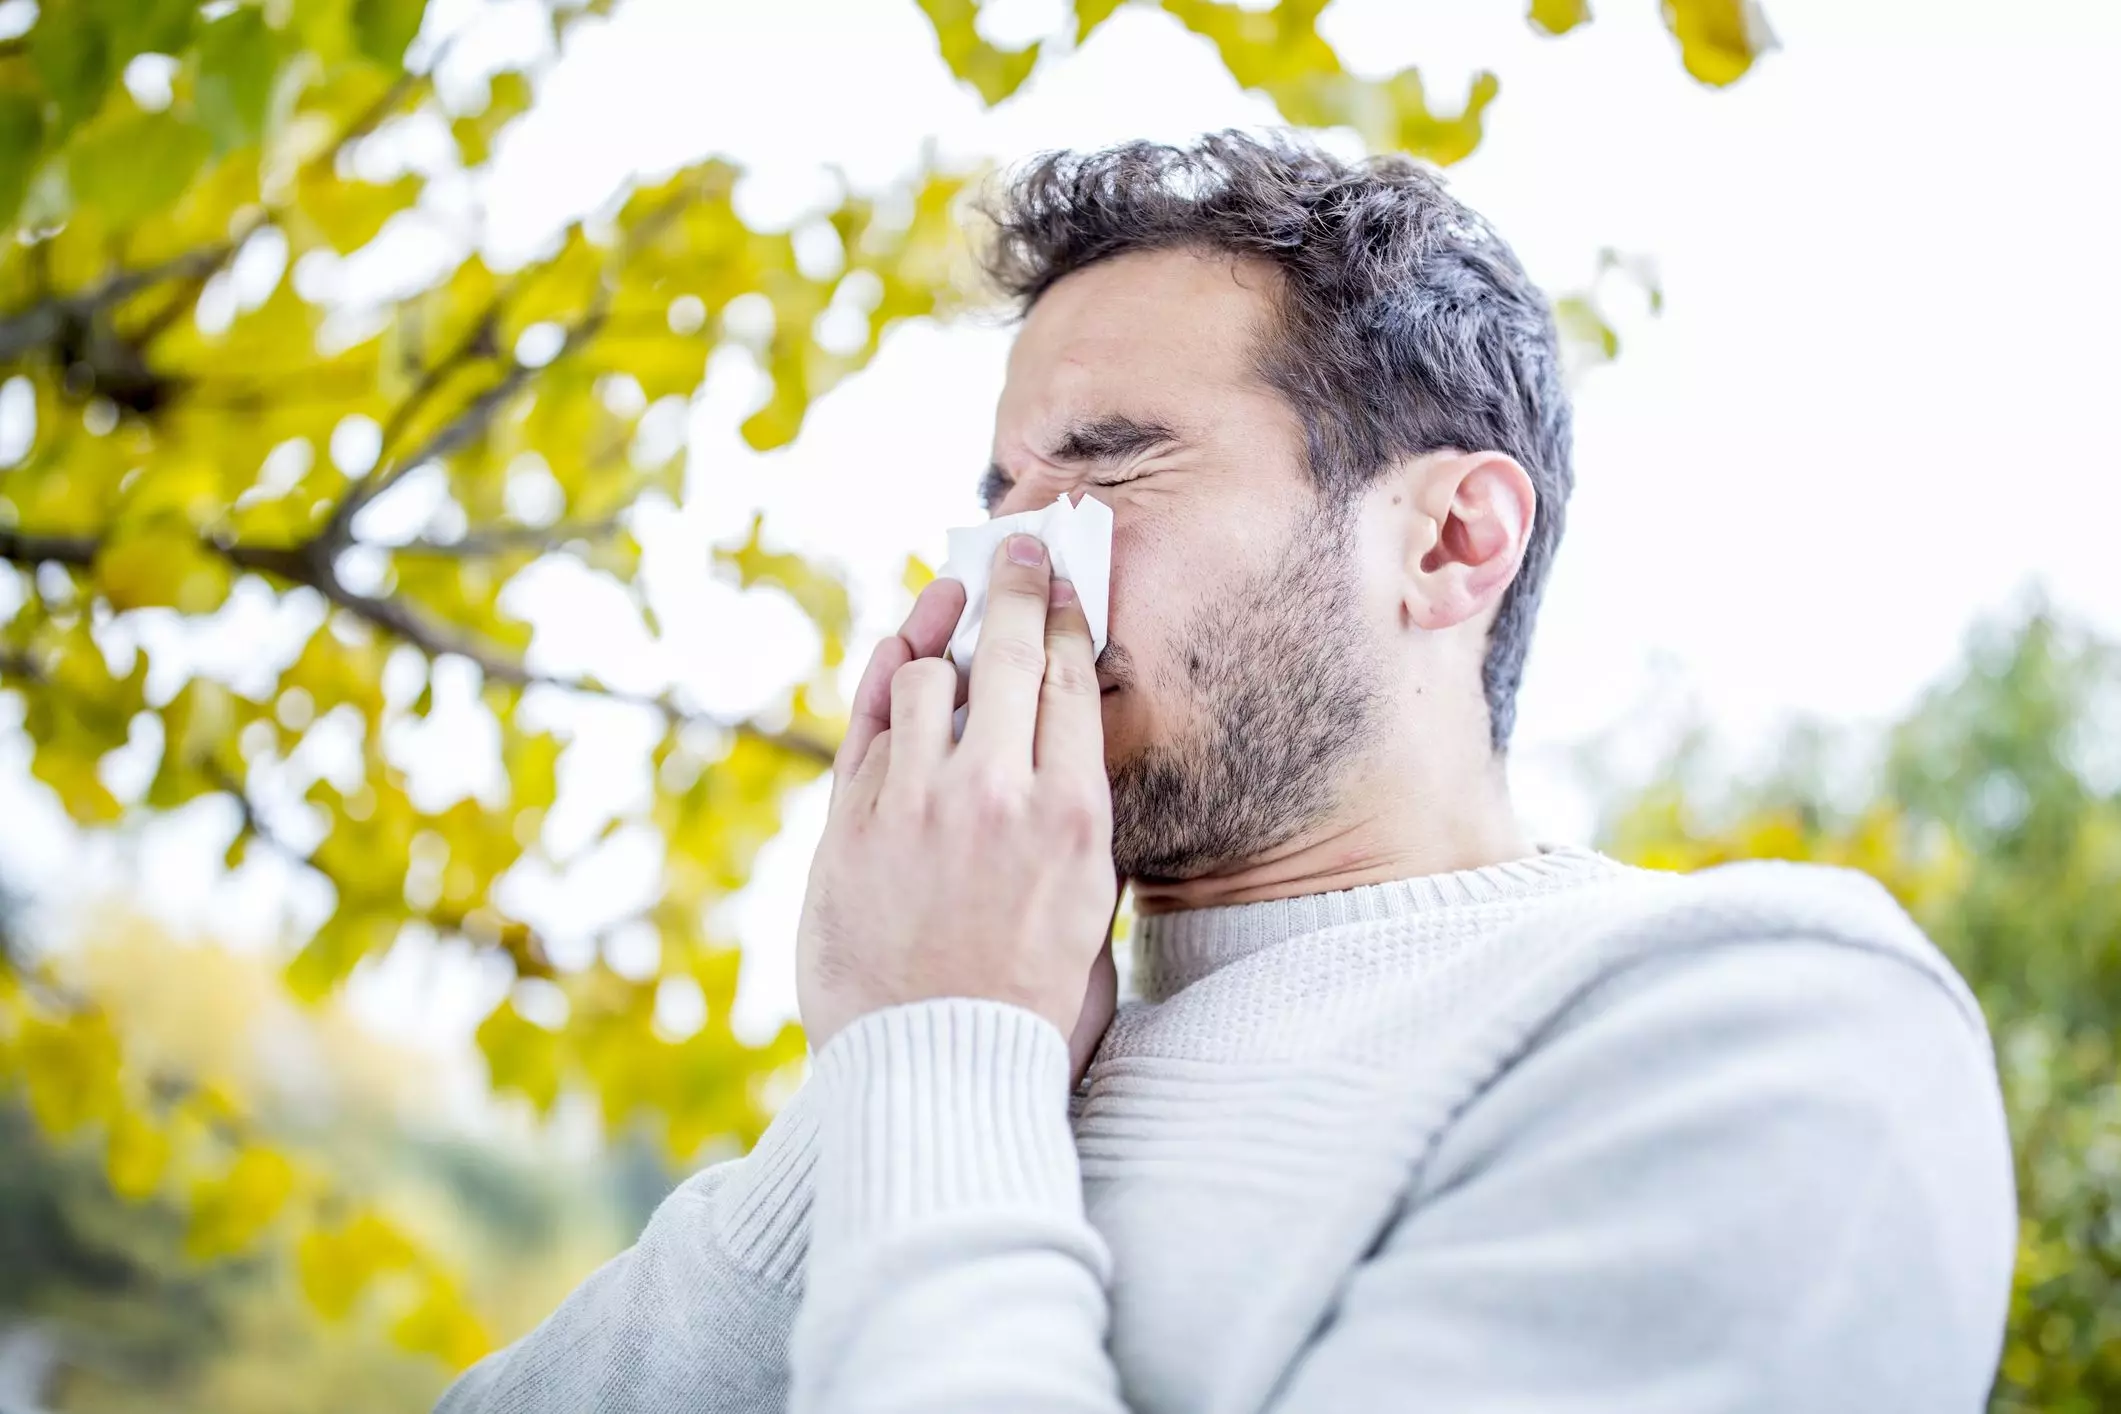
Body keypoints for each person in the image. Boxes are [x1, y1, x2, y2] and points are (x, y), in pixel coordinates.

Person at [437, 131, 2015, 1414]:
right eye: (1001, 490)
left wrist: (940, 1060)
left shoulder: (1751, 1026)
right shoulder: (995, 1040)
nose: (1013, 564)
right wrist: (889, 1088)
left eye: (1115, 462)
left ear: (1452, 540)